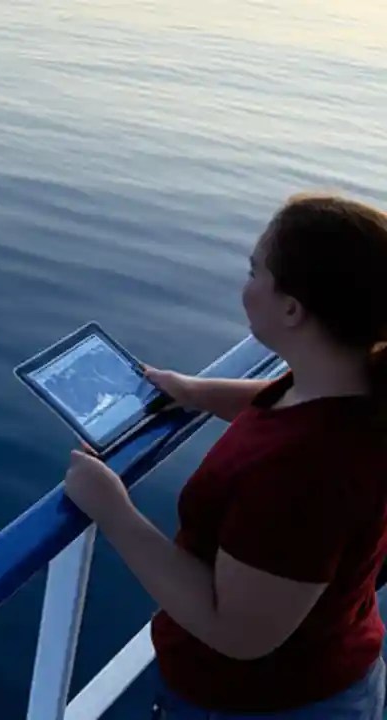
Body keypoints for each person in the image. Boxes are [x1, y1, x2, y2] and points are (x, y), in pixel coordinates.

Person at [62, 193, 387, 719]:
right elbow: (285, 404)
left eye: (255, 271)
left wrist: (112, 510)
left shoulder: (306, 471)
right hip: (329, 672)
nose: (246, 285)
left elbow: (237, 632)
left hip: (265, 705)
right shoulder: (352, 387)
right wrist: (194, 391)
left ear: (292, 309)